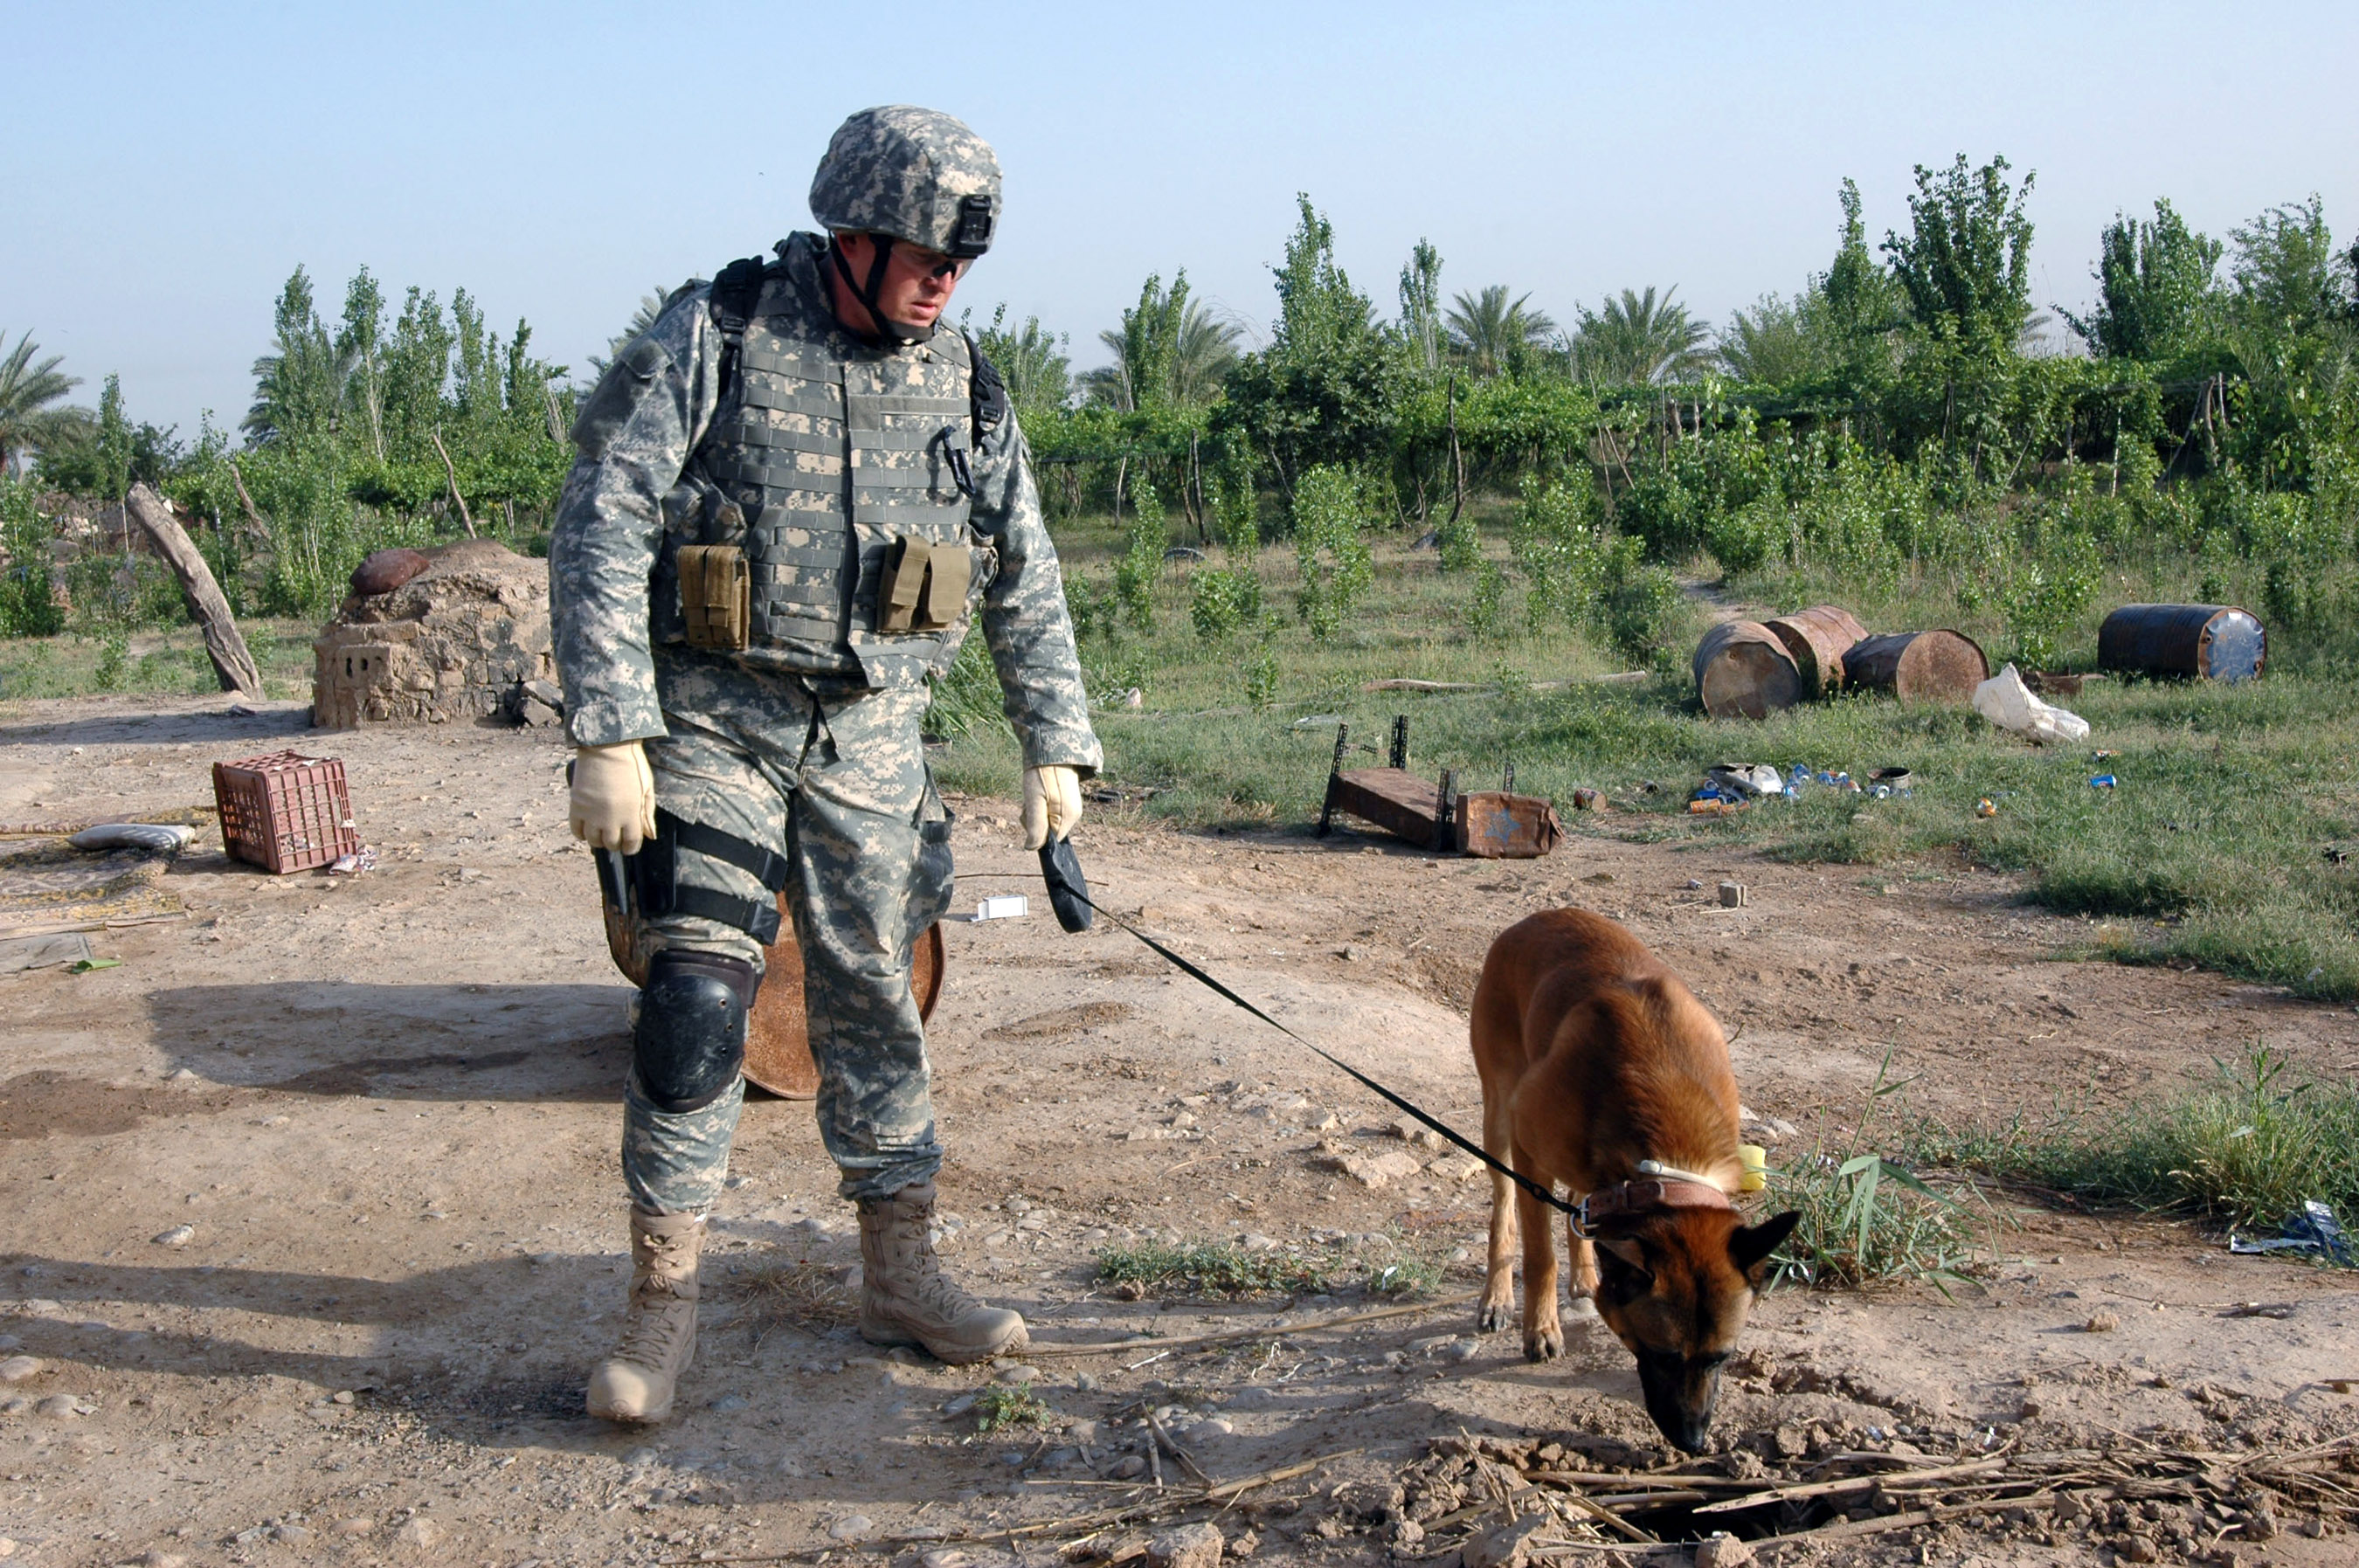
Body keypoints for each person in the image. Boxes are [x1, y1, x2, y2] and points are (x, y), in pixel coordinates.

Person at [549, 105, 1100, 1424]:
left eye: (961, 262)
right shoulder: (723, 334)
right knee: (696, 996)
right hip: (715, 724)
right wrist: (609, 726)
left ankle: (900, 1273)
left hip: (871, 741)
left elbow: (1024, 571)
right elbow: (604, 511)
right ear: (848, 230)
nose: (942, 280)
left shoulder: (963, 376)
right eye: (920, 253)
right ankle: (660, 1308)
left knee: (875, 1001)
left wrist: (1057, 745)